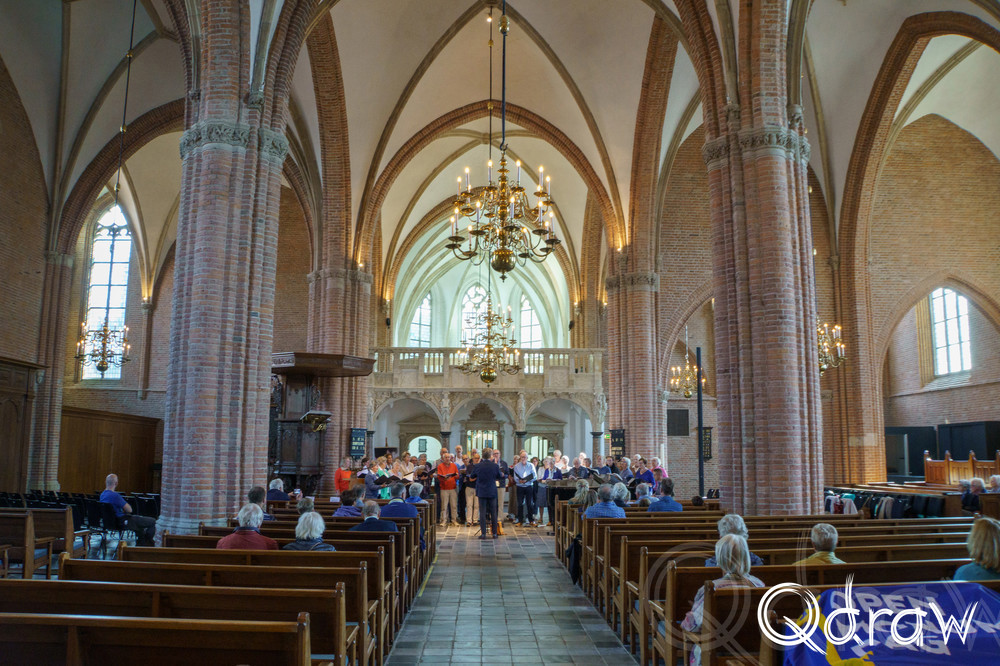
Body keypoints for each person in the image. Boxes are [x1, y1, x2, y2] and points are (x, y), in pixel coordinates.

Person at [680, 534, 764, 665]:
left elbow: (694, 625)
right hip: (754, 651)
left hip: (716, 652)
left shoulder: (710, 589)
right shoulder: (759, 585)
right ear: (746, 557)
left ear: (719, 559)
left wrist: (689, 617)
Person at [101, 473, 156, 546]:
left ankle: (141, 543)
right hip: (122, 521)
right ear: (116, 483)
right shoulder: (115, 496)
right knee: (152, 521)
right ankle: (146, 544)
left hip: (110, 522)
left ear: (105, 482)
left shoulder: (102, 495)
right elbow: (129, 510)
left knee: (139, 526)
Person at [472, 447, 503, 539]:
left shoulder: (478, 466)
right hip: (492, 491)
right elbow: (499, 476)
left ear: (482, 455)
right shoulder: (495, 466)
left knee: (482, 512)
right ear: (491, 456)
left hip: (481, 491)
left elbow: (473, 475)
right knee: (493, 512)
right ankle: (494, 533)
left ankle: (483, 534)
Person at [381, 482, 424, 550]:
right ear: (403, 494)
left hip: (387, 547)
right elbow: (418, 524)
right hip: (408, 545)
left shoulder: (382, 510)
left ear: (391, 494)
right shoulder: (411, 508)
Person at [513, 453, 537, 526]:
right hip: (520, 486)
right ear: (520, 458)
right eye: (522, 457)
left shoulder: (531, 465)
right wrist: (519, 480)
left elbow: (535, 476)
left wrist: (527, 480)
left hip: (528, 486)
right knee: (520, 503)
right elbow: (515, 476)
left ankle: (531, 520)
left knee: (529, 503)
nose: (523, 459)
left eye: (524, 457)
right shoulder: (517, 466)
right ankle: (520, 520)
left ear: (527, 458)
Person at [436, 452, 460, 526]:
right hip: (444, 488)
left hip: (453, 487)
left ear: (450, 458)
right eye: (445, 457)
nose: (447, 459)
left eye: (448, 457)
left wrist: (454, 476)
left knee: (453, 505)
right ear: (443, 458)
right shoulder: (440, 466)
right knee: (444, 505)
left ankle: (454, 520)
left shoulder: (454, 465)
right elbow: (439, 476)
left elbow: (458, 476)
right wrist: (444, 478)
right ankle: (443, 520)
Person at [536, 457, 561, 525]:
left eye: (552, 462)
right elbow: (544, 478)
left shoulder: (557, 470)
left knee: (552, 504)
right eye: (550, 462)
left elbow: (560, 480)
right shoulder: (547, 470)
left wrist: (554, 480)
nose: (551, 463)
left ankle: (555, 520)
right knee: (547, 504)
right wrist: (546, 480)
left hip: (554, 489)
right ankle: (549, 520)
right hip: (547, 487)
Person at [491, 449, 510, 520]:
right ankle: (493, 518)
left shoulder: (504, 463)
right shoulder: (491, 463)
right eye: (494, 453)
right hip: (492, 485)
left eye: (497, 453)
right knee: (493, 503)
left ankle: (500, 519)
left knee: (500, 503)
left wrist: (503, 475)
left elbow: (507, 474)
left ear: (500, 454)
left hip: (501, 484)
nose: (496, 455)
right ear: (492, 455)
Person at [463, 452, 481, 526]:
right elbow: (470, 478)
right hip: (469, 486)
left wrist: (475, 477)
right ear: (472, 458)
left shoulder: (480, 466)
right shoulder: (469, 466)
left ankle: (475, 520)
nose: (476, 459)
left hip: (478, 487)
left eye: (478, 458)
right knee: (469, 504)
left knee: (477, 505)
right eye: (475, 458)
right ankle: (469, 520)